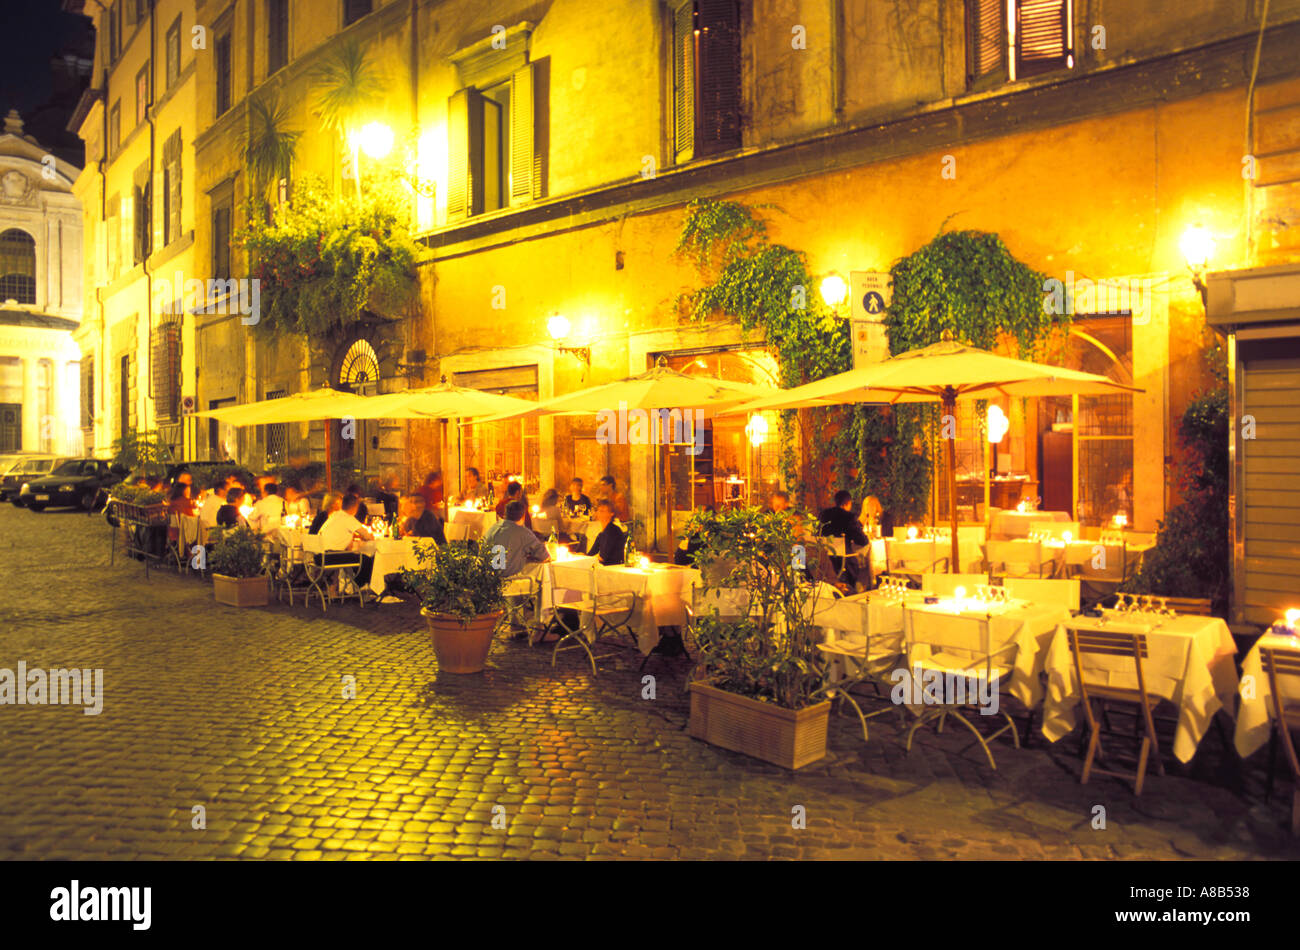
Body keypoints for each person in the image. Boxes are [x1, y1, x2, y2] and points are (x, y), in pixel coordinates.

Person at [318, 493, 376, 589]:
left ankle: (352, 586)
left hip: (319, 556)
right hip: (331, 556)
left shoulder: (334, 515)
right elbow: (367, 536)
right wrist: (367, 536)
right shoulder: (348, 518)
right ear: (355, 507)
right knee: (367, 560)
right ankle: (359, 586)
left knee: (356, 557)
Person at [818, 489, 872, 590]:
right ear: (848, 503)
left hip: (824, 557)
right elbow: (862, 541)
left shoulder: (823, 514)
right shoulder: (848, 517)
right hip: (843, 561)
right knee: (864, 556)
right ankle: (862, 586)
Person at [482, 499, 549, 579]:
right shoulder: (523, 532)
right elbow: (544, 556)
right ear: (523, 516)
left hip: (486, 578)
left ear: (505, 514)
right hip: (508, 580)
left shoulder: (493, 528)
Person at [583, 500, 627, 566]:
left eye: (602, 511)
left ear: (611, 513)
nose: (599, 513)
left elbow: (603, 558)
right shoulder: (602, 533)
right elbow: (591, 554)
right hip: (605, 566)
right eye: (598, 510)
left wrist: (588, 559)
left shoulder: (613, 531)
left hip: (613, 568)